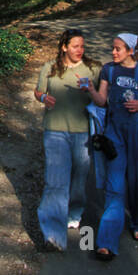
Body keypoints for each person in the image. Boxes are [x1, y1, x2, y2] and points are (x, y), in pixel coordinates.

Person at [85, 32, 138, 261]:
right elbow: (102, 101)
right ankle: (106, 241)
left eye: (118, 49)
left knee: (137, 180)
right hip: (114, 131)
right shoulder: (109, 70)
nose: (113, 52)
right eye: (113, 48)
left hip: (137, 131)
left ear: (131, 50)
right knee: (114, 184)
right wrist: (90, 88)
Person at [33, 29, 102, 251]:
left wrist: (91, 90)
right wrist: (44, 97)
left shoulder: (93, 69)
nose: (80, 50)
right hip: (54, 130)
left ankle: (74, 211)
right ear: (64, 47)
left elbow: (103, 100)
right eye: (75, 46)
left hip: (83, 132)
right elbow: (38, 92)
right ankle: (53, 235)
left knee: (79, 179)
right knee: (55, 181)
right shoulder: (49, 68)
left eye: (82, 46)